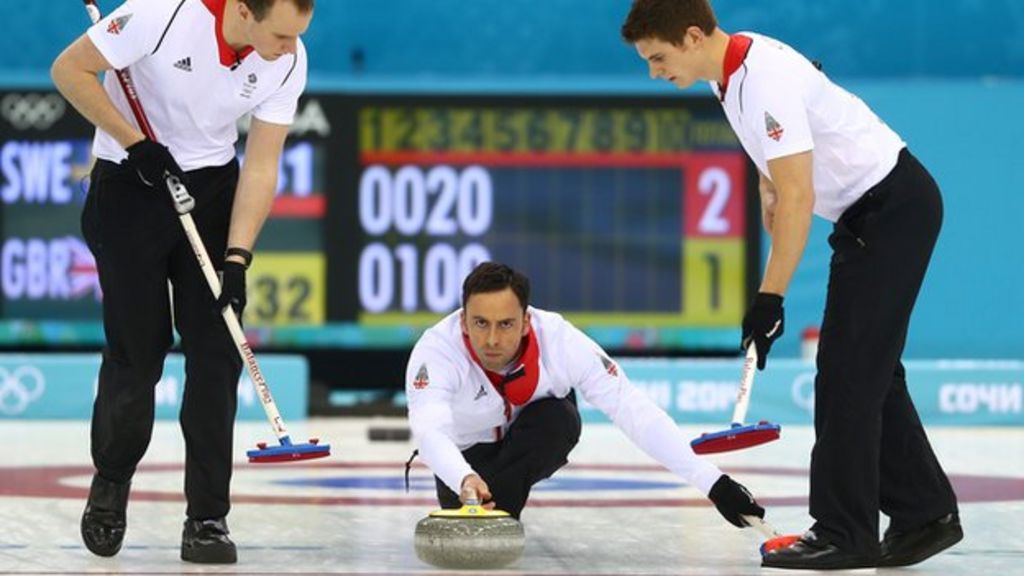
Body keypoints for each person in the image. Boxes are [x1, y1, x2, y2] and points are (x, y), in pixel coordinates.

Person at [621, 0, 961, 570]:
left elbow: (802, 195)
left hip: (893, 209)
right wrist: (765, 189)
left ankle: (843, 532)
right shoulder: (725, 75)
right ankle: (925, 513)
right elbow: (777, 159)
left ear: (692, 35)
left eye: (657, 58)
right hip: (871, 215)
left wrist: (768, 300)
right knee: (870, 372)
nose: (654, 72)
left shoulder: (764, 79)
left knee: (847, 376)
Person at [50, 0, 313, 564]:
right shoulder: (158, 14)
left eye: (297, 36)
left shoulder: (289, 59)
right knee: (139, 353)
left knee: (218, 355)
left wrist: (238, 258)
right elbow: (69, 71)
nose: (290, 48)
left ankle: (207, 518)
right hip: (130, 187)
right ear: (243, 9)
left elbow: (263, 163)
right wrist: (133, 142)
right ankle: (111, 482)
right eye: (282, 34)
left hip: (213, 193)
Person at [405, 261, 766, 534]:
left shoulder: (560, 341)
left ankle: (501, 517)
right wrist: (463, 477)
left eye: (506, 324)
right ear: (463, 321)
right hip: (466, 456)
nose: (493, 340)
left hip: (533, 438)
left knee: (558, 418)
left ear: (526, 321)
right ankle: (483, 497)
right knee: (461, 492)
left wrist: (713, 483)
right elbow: (431, 432)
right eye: (480, 323)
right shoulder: (435, 353)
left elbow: (631, 408)